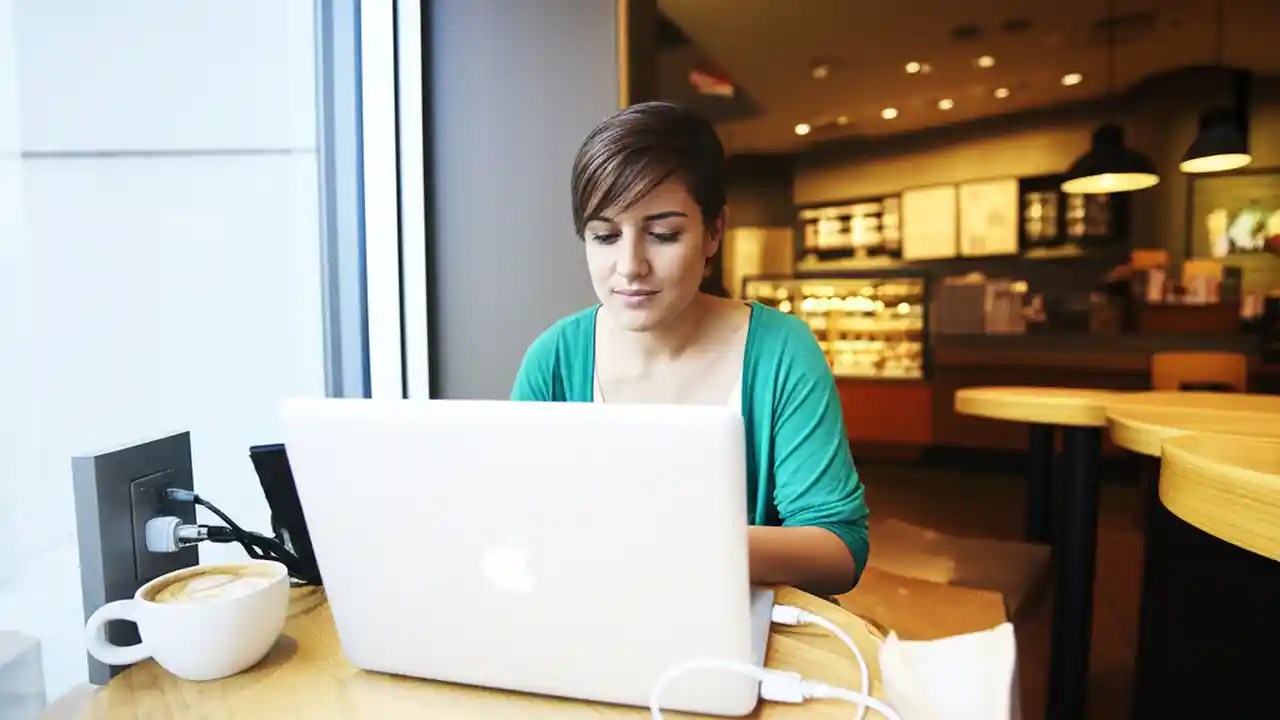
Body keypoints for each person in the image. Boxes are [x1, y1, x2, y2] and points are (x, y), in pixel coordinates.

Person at [511, 102, 868, 596]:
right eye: (605, 236)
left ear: (713, 232)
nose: (630, 265)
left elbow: (840, 550)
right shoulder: (554, 359)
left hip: (727, 632)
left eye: (663, 234)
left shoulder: (780, 352)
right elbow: (520, 523)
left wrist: (682, 548)